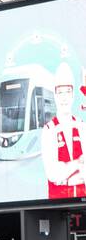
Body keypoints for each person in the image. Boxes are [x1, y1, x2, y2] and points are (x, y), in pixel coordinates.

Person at [40, 62, 86, 200]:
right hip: (58, 208)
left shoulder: (81, 125)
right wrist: (77, 164)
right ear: (55, 95)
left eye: (68, 91)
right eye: (60, 92)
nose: (64, 97)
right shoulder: (49, 130)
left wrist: (69, 175)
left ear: (73, 95)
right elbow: (53, 173)